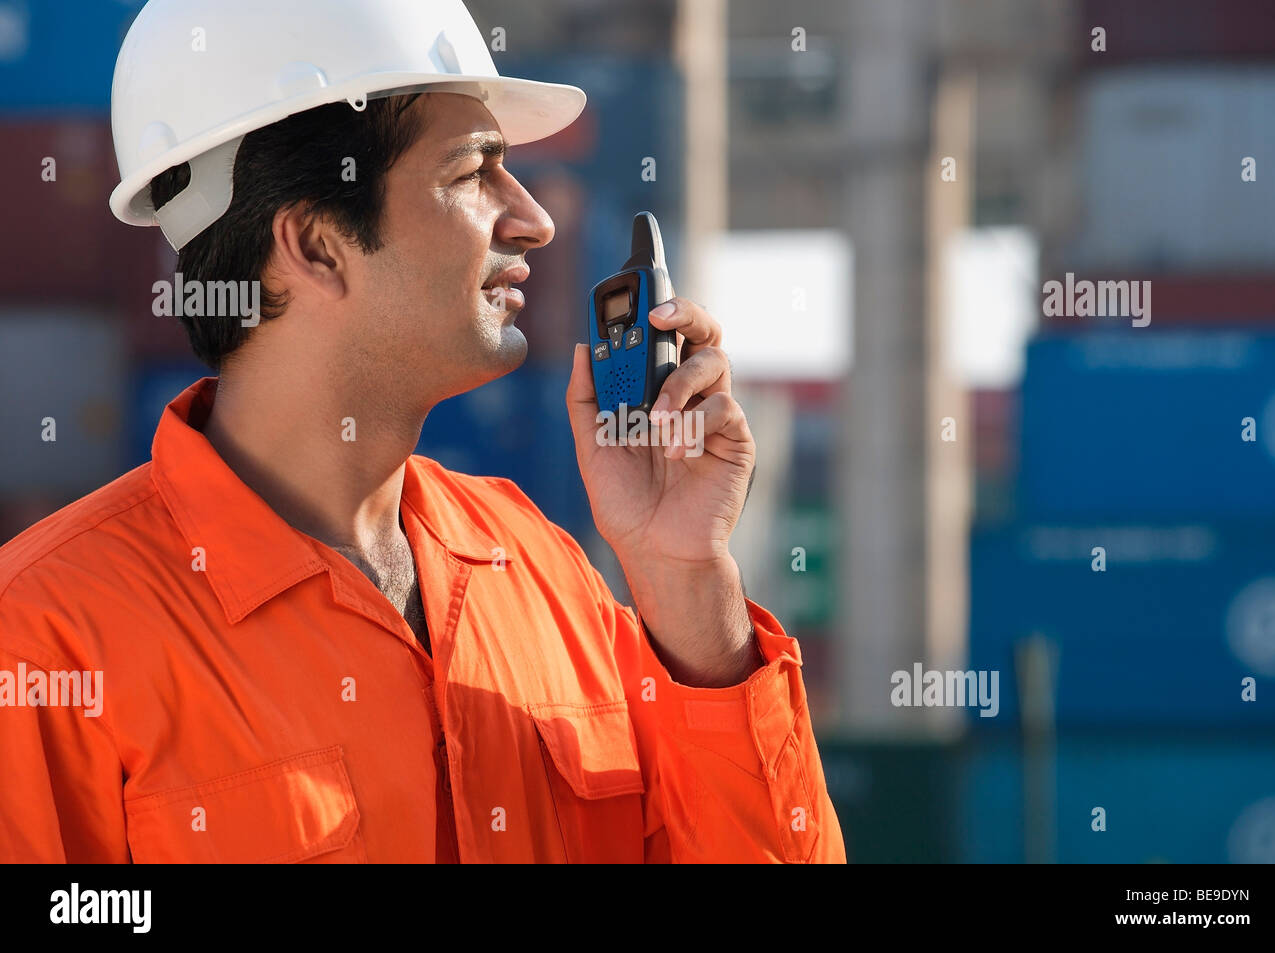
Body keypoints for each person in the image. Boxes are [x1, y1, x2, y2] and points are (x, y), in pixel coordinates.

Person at [0, 0, 846, 863]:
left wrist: (687, 580)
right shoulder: (45, 640)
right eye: (474, 170)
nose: (534, 218)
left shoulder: (546, 572)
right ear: (319, 244)